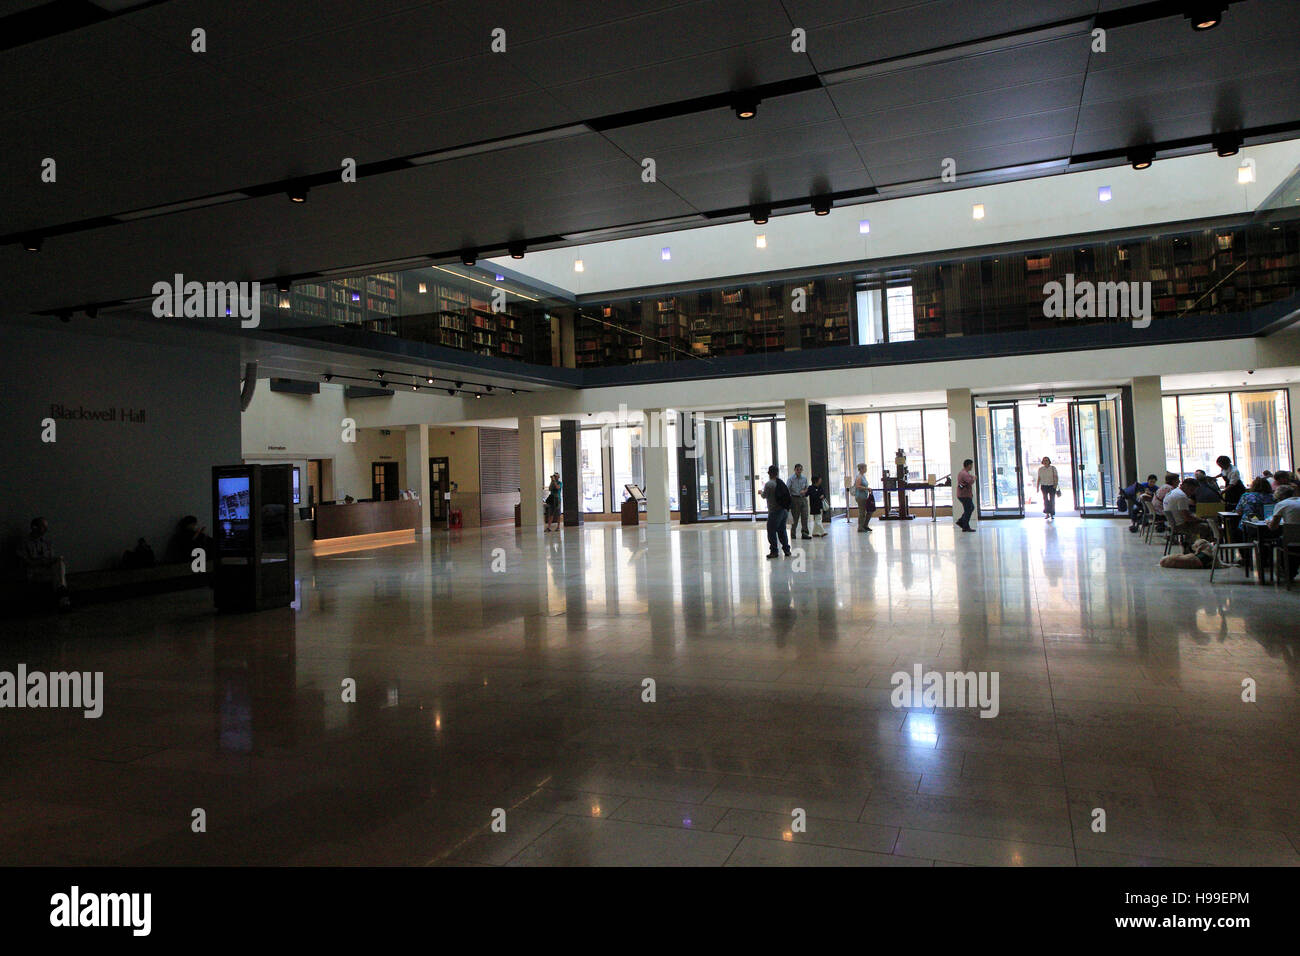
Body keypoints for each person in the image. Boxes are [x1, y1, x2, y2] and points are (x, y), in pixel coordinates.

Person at [17, 517, 71, 609]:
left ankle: (61, 590)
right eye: (43, 527)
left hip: (46, 568)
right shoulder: (24, 543)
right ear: (35, 527)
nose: (46, 529)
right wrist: (40, 562)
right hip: (34, 570)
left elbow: (50, 558)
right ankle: (62, 594)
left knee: (59, 563)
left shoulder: (46, 542)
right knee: (58, 575)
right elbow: (24, 561)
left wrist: (53, 560)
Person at [1163, 478, 1211, 546]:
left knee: (1197, 520)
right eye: (1191, 490)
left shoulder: (1173, 492)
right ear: (1185, 486)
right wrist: (1202, 520)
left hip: (1173, 523)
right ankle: (1204, 550)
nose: (1192, 493)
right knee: (1207, 527)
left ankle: (1190, 546)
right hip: (1180, 526)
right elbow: (1187, 518)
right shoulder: (1181, 496)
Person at [759, 465, 791, 559]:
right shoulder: (781, 482)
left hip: (774, 511)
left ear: (769, 473)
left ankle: (774, 551)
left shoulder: (769, 484)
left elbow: (764, 496)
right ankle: (786, 550)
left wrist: (761, 492)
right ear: (777, 473)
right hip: (783, 511)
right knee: (782, 530)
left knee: (771, 531)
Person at [787, 463, 811, 540]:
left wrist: (804, 491)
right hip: (795, 499)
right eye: (797, 470)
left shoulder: (804, 478)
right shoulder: (791, 479)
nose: (799, 471)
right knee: (795, 517)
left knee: (805, 516)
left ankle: (805, 533)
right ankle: (793, 533)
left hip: (803, 499)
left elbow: (807, 488)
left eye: (800, 470)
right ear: (794, 470)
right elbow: (787, 489)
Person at [852, 463, 875, 533]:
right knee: (862, 512)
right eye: (865, 468)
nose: (866, 469)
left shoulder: (863, 476)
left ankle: (865, 525)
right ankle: (860, 527)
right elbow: (858, 486)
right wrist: (866, 488)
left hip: (864, 496)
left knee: (867, 511)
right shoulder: (859, 477)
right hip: (860, 497)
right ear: (861, 469)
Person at [1035, 456, 1059, 521]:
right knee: (1045, 500)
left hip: (1052, 486)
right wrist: (1037, 487)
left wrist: (1055, 485)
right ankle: (1047, 513)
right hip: (1044, 486)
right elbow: (1039, 478)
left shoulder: (1053, 468)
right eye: (1044, 460)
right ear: (1042, 462)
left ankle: (1052, 514)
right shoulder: (1040, 469)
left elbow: (1056, 477)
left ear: (1049, 461)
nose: (1045, 462)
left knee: (1052, 500)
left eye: (1047, 460)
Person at [955, 459, 976, 532]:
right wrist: (974, 479)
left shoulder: (964, 472)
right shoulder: (964, 474)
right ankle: (965, 526)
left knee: (970, 508)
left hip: (964, 495)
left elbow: (969, 478)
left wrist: (972, 477)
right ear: (969, 465)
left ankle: (961, 522)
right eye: (971, 465)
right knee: (968, 509)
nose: (972, 467)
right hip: (964, 495)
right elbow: (970, 481)